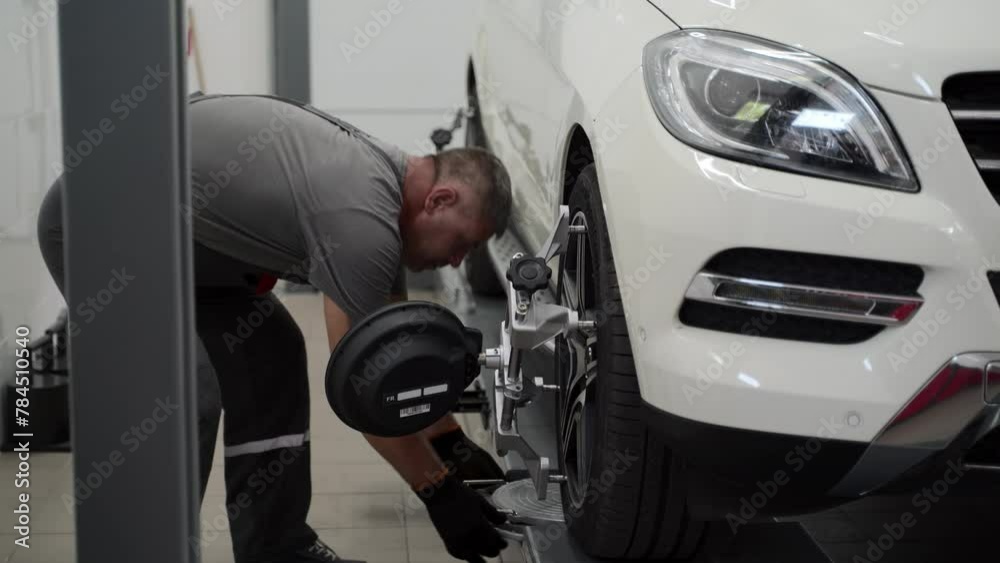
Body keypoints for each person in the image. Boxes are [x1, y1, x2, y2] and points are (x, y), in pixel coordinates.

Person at [36, 93, 514, 563]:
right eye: (461, 243)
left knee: (272, 353)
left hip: (191, 256)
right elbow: (367, 389)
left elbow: (396, 357)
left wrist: (451, 443)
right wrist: (440, 493)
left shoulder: (385, 196)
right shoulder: (362, 221)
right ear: (440, 199)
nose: (455, 261)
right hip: (100, 232)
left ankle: (276, 548)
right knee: (185, 393)